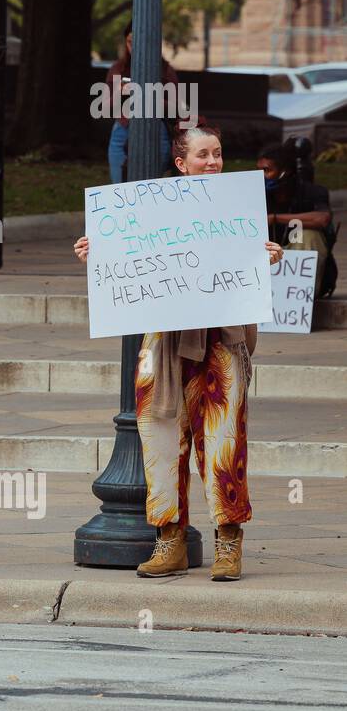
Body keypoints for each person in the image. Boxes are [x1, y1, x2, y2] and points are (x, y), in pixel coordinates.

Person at [74, 125, 284, 581]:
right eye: (203, 155)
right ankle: (169, 540)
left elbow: (249, 264)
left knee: (225, 442)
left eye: (219, 154)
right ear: (181, 163)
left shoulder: (238, 208)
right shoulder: (149, 211)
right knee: (160, 441)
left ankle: (229, 542)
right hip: (164, 346)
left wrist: (268, 256)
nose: (213, 162)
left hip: (221, 343)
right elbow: (127, 262)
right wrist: (99, 255)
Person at [257, 141, 336, 299]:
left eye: (267, 170)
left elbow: (322, 218)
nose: (261, 176)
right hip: (268, 271)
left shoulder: (312, 192)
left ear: (285, 171)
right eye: (258, 170)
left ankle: (297, 300)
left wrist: (274, 218)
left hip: (301, 281)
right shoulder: (256, 195)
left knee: (308, 235)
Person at [105, 23, 179, 184]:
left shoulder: (165, 70)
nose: (135, 46)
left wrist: (151, 98)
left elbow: (178, 108)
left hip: (157, 129)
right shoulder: (118, 68)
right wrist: (121, 93)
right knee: (119, 186)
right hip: (123, 129)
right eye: (130, 42)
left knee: (151, 185)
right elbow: (105, 107)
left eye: (140, 42)